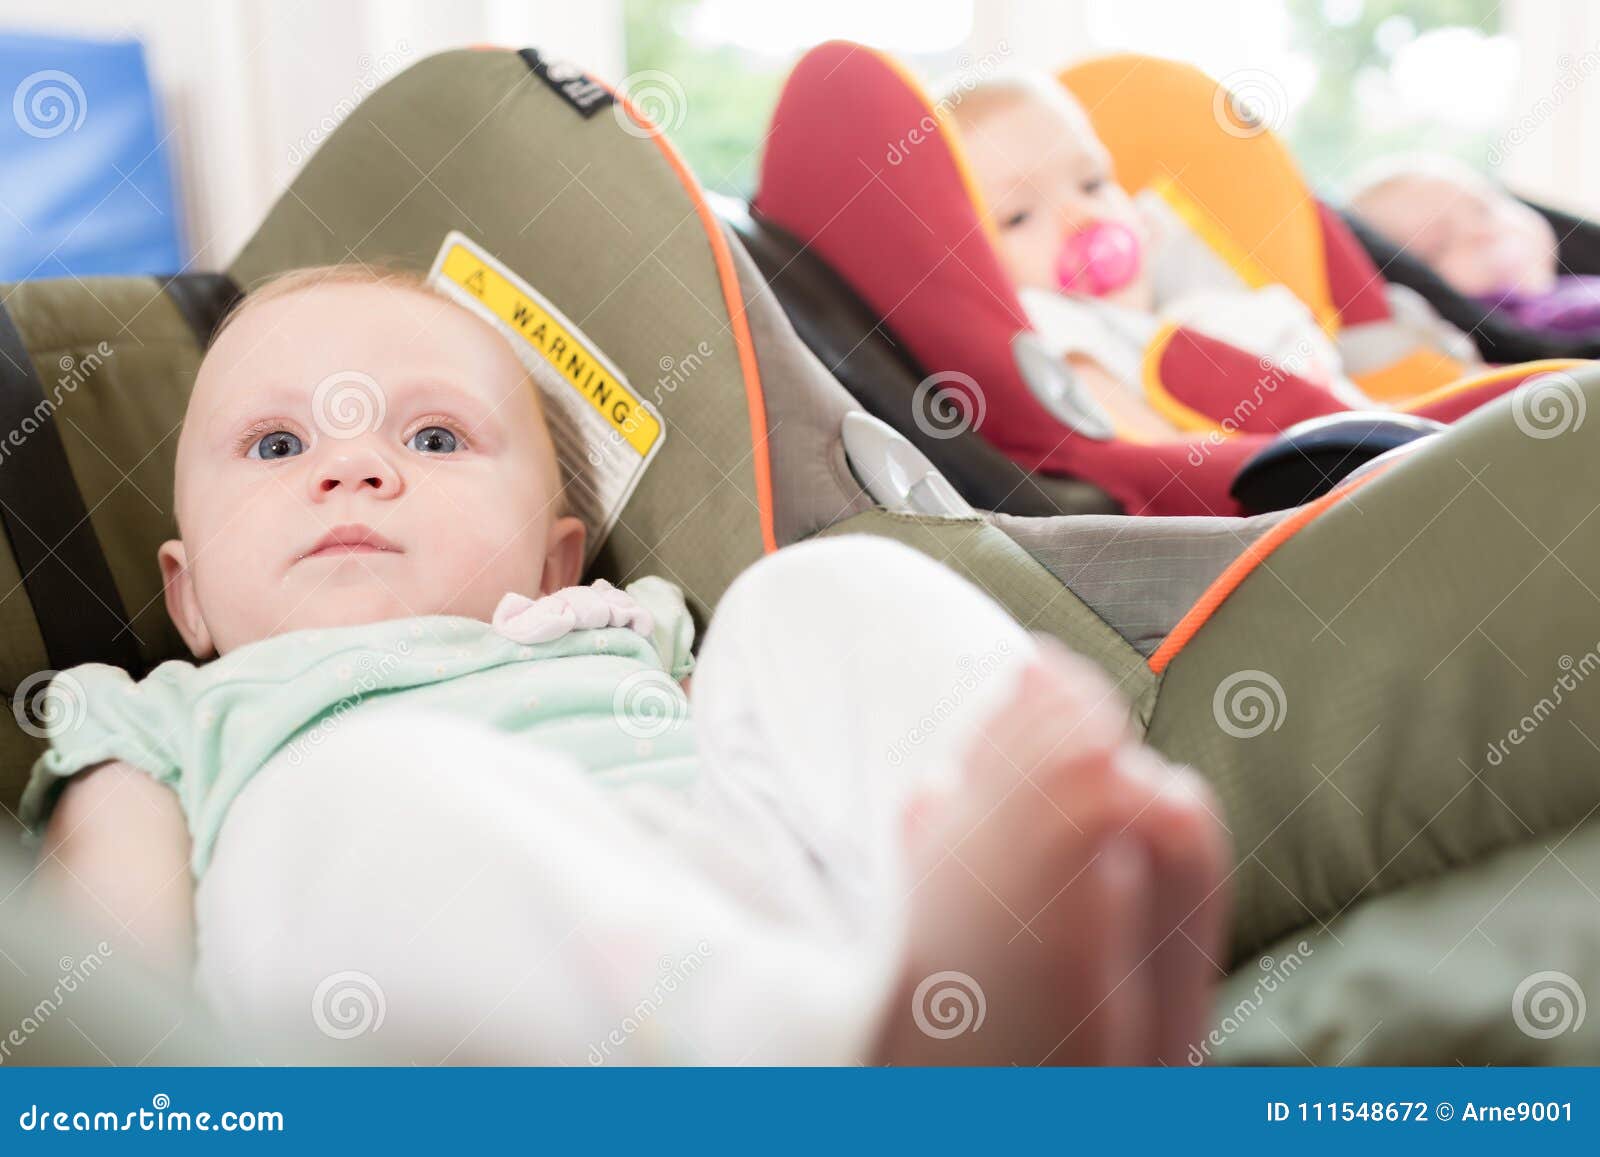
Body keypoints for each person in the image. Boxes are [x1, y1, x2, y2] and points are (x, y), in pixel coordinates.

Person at [22, 264, 1229, 1065]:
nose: (353, 468)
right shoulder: (156, 718)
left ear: (558, 560)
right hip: (484, 1005)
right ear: (187, 598)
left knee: (815, 593)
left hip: (784, 910)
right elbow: (104, 984)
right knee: (361, 787)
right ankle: (869, 1056)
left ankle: (1026, 910)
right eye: (278, 442)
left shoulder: (619, 625)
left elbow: (776, 758)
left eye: (432, 434)